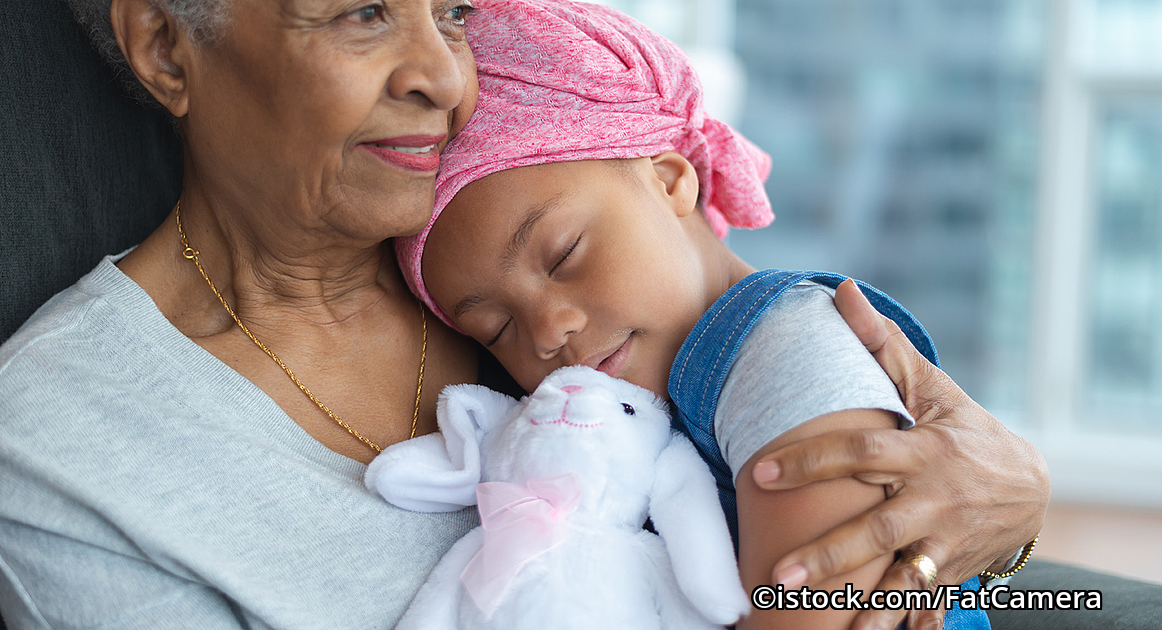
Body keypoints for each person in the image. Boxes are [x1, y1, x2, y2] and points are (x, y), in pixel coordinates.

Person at [0, 1, 1045, 630]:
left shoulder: (517, 239)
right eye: (365, 11)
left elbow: (848, 510)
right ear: (166, 46)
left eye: (453, 12)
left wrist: (1003, 507)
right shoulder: (66, 439)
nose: (446, 76)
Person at [396, 2, 1026, 629]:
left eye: (564, 255)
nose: (546, 332)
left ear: (670, 180)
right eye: (497, 329)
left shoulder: (789, 355)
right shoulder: (600, 407)